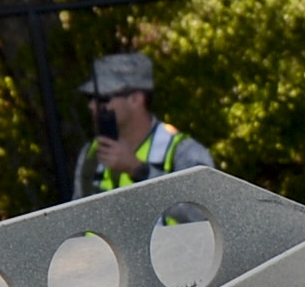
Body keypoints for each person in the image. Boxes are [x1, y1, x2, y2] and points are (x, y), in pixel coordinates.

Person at [68, 49, 210, 195]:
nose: (92, 106)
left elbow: (204, 208)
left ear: (136, 99)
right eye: (90, 98)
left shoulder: (182, 151)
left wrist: (139, 171)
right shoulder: (90, 156)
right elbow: (77, 215)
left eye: (103, 99)